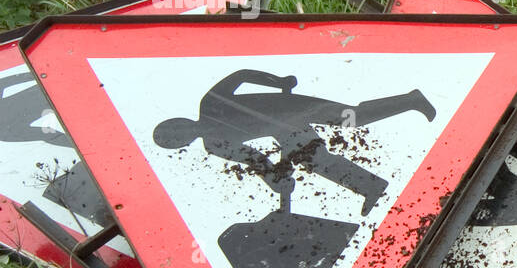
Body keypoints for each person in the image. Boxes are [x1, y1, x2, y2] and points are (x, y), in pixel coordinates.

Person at [153, 69, 435, 214]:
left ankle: (412, 99)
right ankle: (372, 188)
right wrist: (277, 180)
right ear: (181, 145)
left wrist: (277, 81)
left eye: (175, 130)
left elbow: (239, 77)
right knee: (315, 161)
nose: (181, 135)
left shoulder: (210, 104)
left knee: (351, 118)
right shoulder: (214, 146)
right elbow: (254, 159)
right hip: (286, 132)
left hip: (291, 108)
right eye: (176, 140)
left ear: (179, 121)